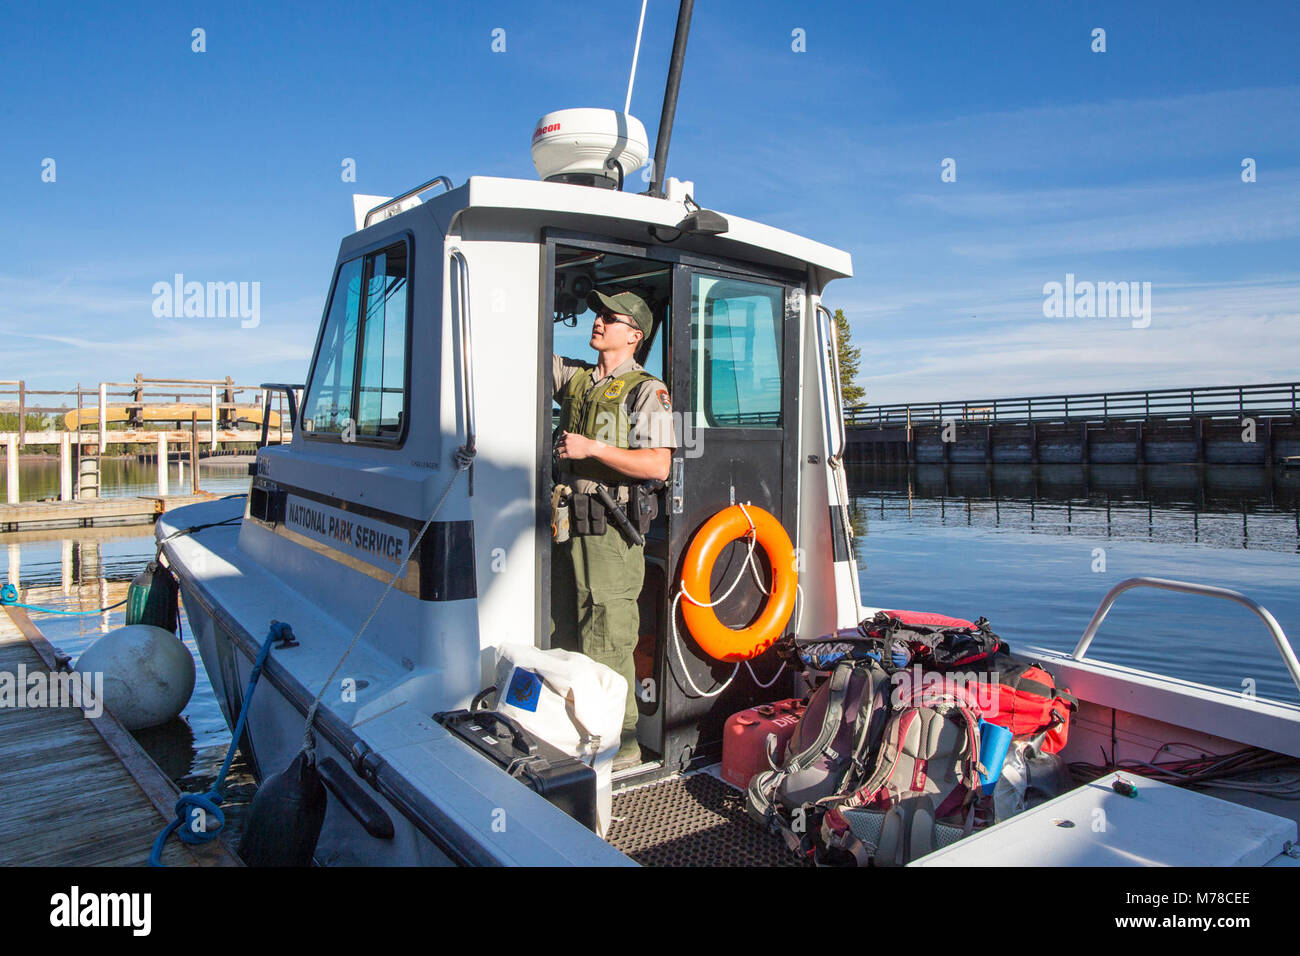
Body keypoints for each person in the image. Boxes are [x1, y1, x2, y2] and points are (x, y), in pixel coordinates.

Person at [552, 288, 676, 771]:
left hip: (610, 527)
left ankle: (621, 745)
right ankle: (572, 729)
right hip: (567, 524)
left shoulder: (647, 389)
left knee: (607, 633)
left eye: (610, 317)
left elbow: (658, 465)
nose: (598, 322)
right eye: (597, 315)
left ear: (634, 335)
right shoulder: (579, 378)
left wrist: (591, 450)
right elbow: (528, 349)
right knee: (564, 625)